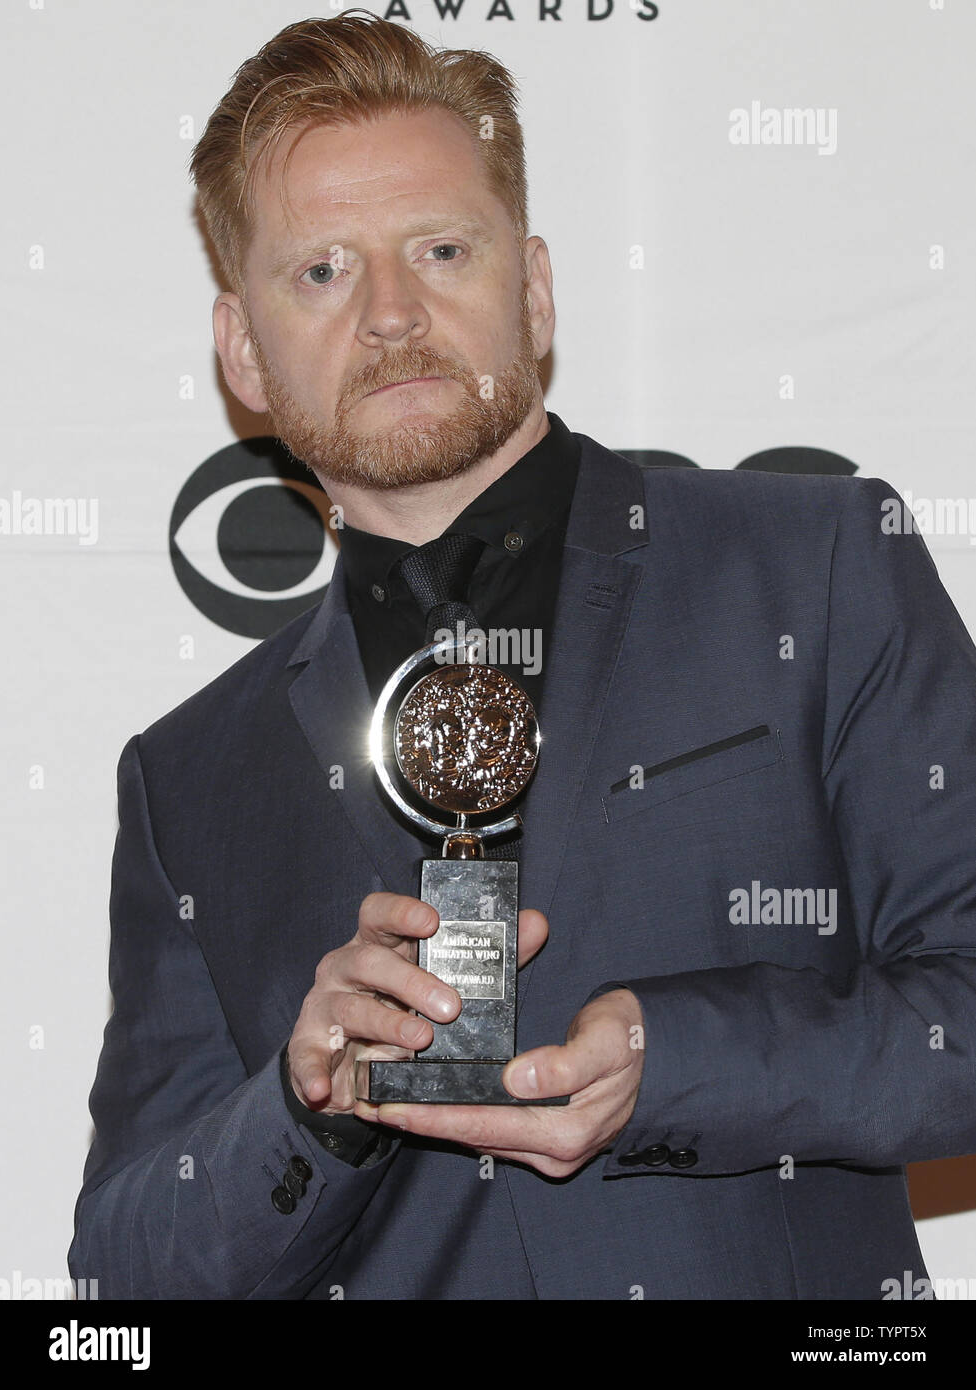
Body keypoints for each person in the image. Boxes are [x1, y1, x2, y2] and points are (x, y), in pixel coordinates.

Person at [68, 12, 976, 1300]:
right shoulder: (188, 776)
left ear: (535, 286)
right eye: (322, 269)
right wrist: (304, 1105)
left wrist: (680, 1058)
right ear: (241, 351)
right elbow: (124, 1269)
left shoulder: (813, 566)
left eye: (442, 248)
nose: (391, 312)